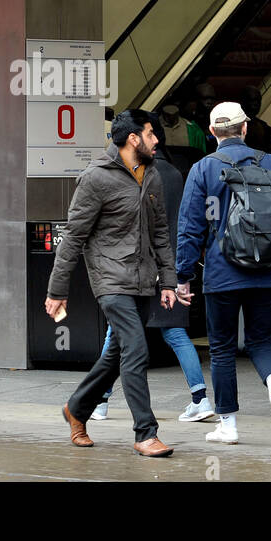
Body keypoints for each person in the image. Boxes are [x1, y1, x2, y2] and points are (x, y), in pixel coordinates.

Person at [46, 109, 181, 458]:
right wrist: (57, 291)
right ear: (133, 138)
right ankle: (145, 434)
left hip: (142, 281)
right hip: (110, 281)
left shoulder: (151, 175)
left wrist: (168, 281)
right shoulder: (96, 178)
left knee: (116, 355)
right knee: (137, 348)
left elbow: (161, 232)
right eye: (151, 134)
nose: (156, 141)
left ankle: (76, 408)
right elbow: (73, 236)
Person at [176, 101, 271, 444]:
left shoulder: (203, 168)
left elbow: (190, 228)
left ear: (212, 133)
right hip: (265, 269)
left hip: (221, 272)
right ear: (245, 129)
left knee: (222, 348)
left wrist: (183, 275)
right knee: (260, 340)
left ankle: (228, 426)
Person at [92, 118, 213, 424]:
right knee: (175, 333)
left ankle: (101, 401)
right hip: (170, 264)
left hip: (136, 267)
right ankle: (200, 398)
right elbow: (185, 223)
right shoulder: (176, 174)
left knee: (115, 333)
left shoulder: (136, 174)